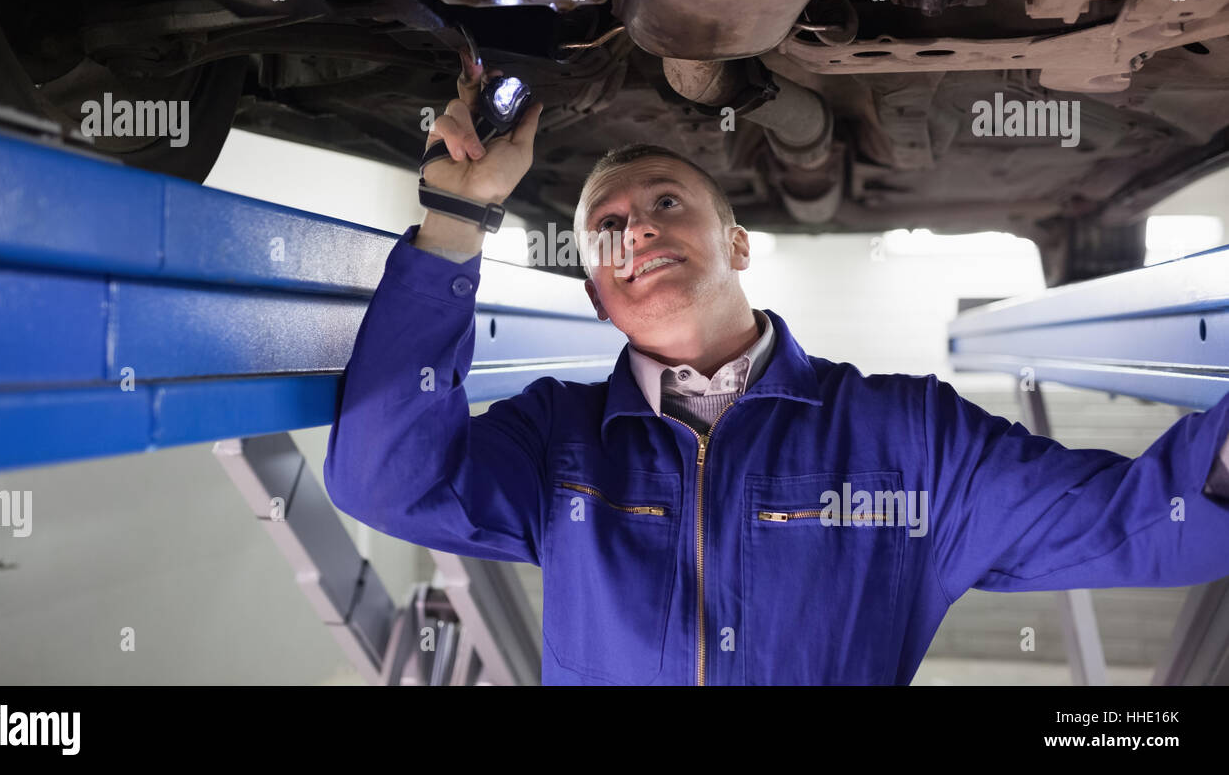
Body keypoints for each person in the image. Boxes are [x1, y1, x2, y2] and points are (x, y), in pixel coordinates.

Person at [324, 58, 1229, 685]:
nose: (636, 229)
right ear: (599, 298)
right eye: (608, 229)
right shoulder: (558, 439)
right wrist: (453, 216)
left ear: (739, 242)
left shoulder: (907, 440)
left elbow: (1138, 519)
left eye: (666, 203)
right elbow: (386, 484)